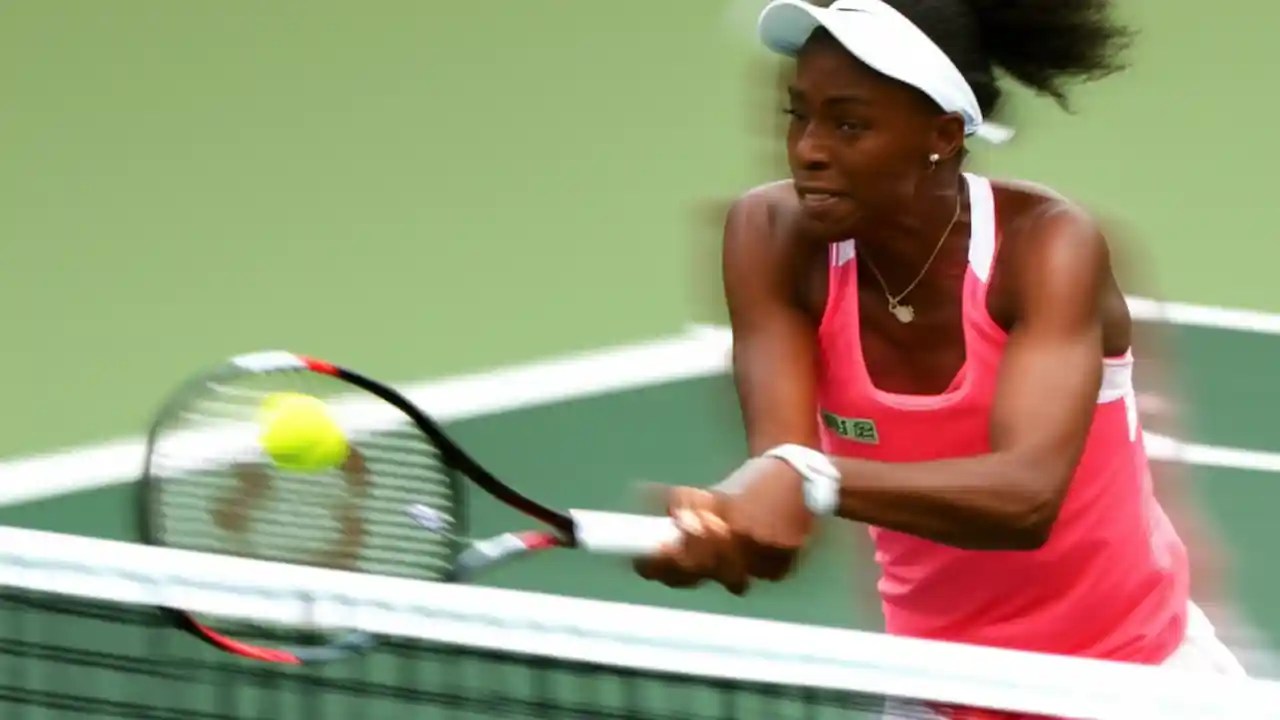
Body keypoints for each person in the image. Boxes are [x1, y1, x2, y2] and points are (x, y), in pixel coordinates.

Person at [633, 0, 1248, 691]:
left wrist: (807, 477)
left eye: (848, 123)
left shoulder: (1045, 246)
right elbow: (780, 529)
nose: (808, 147)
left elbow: (1025, 500)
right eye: (797, 114)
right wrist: (723, 539)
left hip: (1133, 680)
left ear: (943, 134)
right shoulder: (769, 239)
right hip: (941, 687)